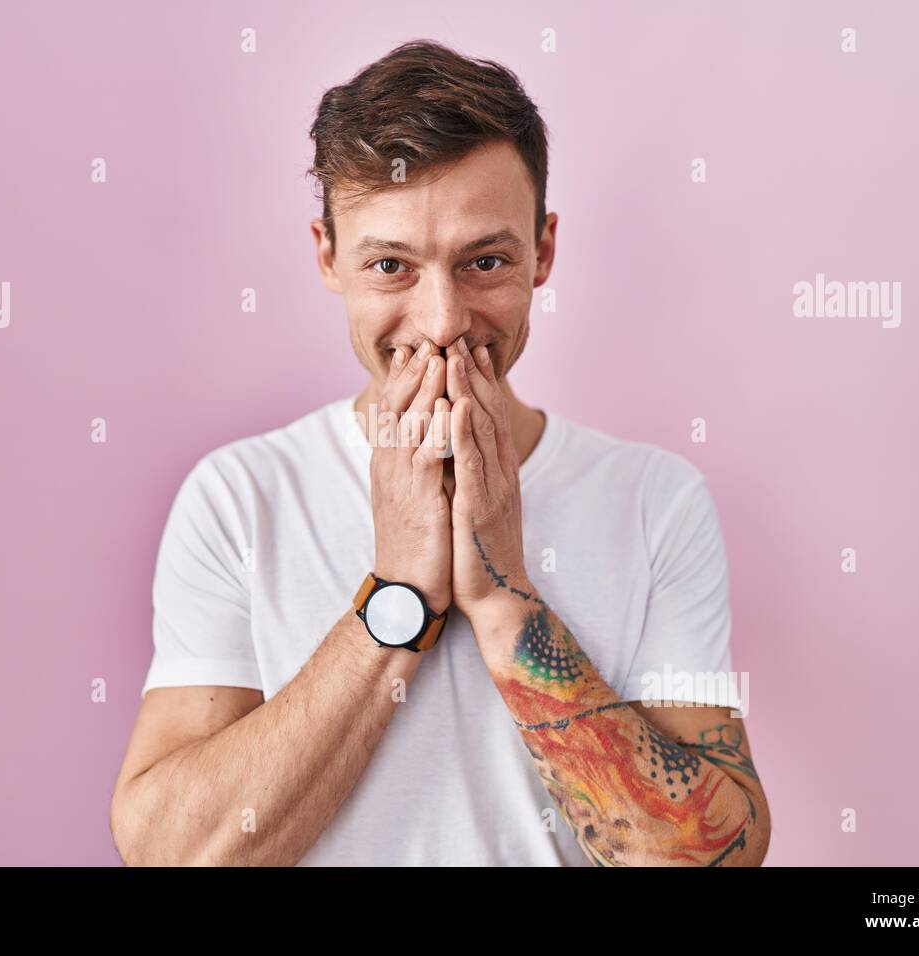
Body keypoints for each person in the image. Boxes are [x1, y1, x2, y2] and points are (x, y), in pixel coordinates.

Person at [110, 39, 770, 866]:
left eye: (485, 261)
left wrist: (501, 598)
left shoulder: (655, 499)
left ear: (544, 253)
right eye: (391, 265)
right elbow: (175, 853)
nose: (443, 321)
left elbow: (718, 854)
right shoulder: (240, 497)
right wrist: (397, 595)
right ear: (328, 257)